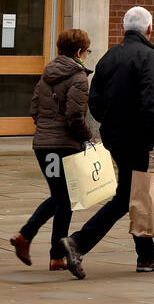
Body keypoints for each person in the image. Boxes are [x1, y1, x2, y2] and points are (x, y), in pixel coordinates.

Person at [59, 6, 154, 276]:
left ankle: (147, 256)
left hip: (114, 135)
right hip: (136, 137)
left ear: (124, 28)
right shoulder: (148, 57)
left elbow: (94, 98)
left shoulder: (110, 55)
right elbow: (152, 102)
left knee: (134, 194)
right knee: (128, 198)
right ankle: (77, 242)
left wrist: (107, 122)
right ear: (149, 29)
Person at [10, 28, 95, 274]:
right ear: (79, 52)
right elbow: (75, 117)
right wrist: (89, 138)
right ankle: (53, 254)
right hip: (65, 146)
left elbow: (35, 110)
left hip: (43, 146)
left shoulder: (47, 74)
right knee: (65, 200)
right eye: (87, 51)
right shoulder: (79, 78)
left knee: (60, 197)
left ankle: (28, 238)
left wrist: (47, 130)